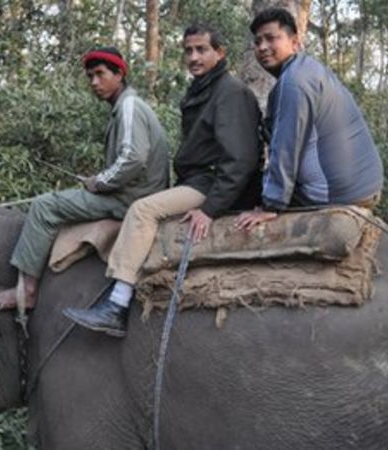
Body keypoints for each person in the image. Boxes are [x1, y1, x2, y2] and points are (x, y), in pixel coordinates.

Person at [63, 24, 263, 337]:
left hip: (211, 184)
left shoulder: (231, 92)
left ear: (220, 53)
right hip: (198, 180)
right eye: (188, 50)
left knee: (142, 210)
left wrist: (211, 208)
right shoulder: (203, 90)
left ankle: (117, 304)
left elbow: (241, 159)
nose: (193, 57)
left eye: (202, 50)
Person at [0, 47, 171, 309]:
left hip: (129, 199)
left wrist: (99, 182)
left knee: (44, 207)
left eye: (100, 74)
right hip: (135, 193)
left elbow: (133, 158)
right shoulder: (126, 106)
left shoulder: (129, 106)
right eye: (90, 77)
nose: (94, 83)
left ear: (119, 74)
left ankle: (27, 290)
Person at [235, 8, 383, 231]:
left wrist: (271, 205)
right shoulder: (308, 69)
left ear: (295, 43)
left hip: (337, 194)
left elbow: (286, 146)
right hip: (366, 185)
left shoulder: (294, 81)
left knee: (241, 194)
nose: (263, 47)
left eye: (271, 38)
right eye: (258, 41)